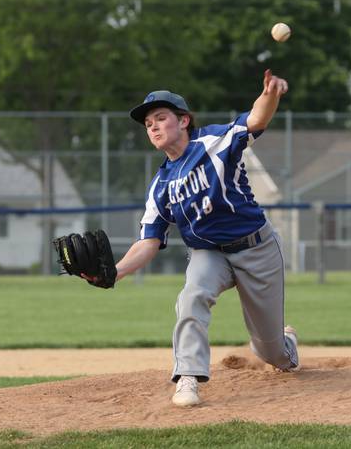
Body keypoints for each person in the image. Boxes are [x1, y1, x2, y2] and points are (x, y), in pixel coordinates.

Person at [111, 69, 300, 407]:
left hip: (257, 248)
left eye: (160, 117)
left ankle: (285, 347)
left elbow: (255, 119)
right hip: (208, 254)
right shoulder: (161, 186)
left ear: (183, 121)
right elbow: (148, 241)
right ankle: (187, 377)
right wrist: (115, 272)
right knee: (191, 297)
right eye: (148, 123)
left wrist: (271, 93)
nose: (152, 126)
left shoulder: (215, 142)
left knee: (271, 354)